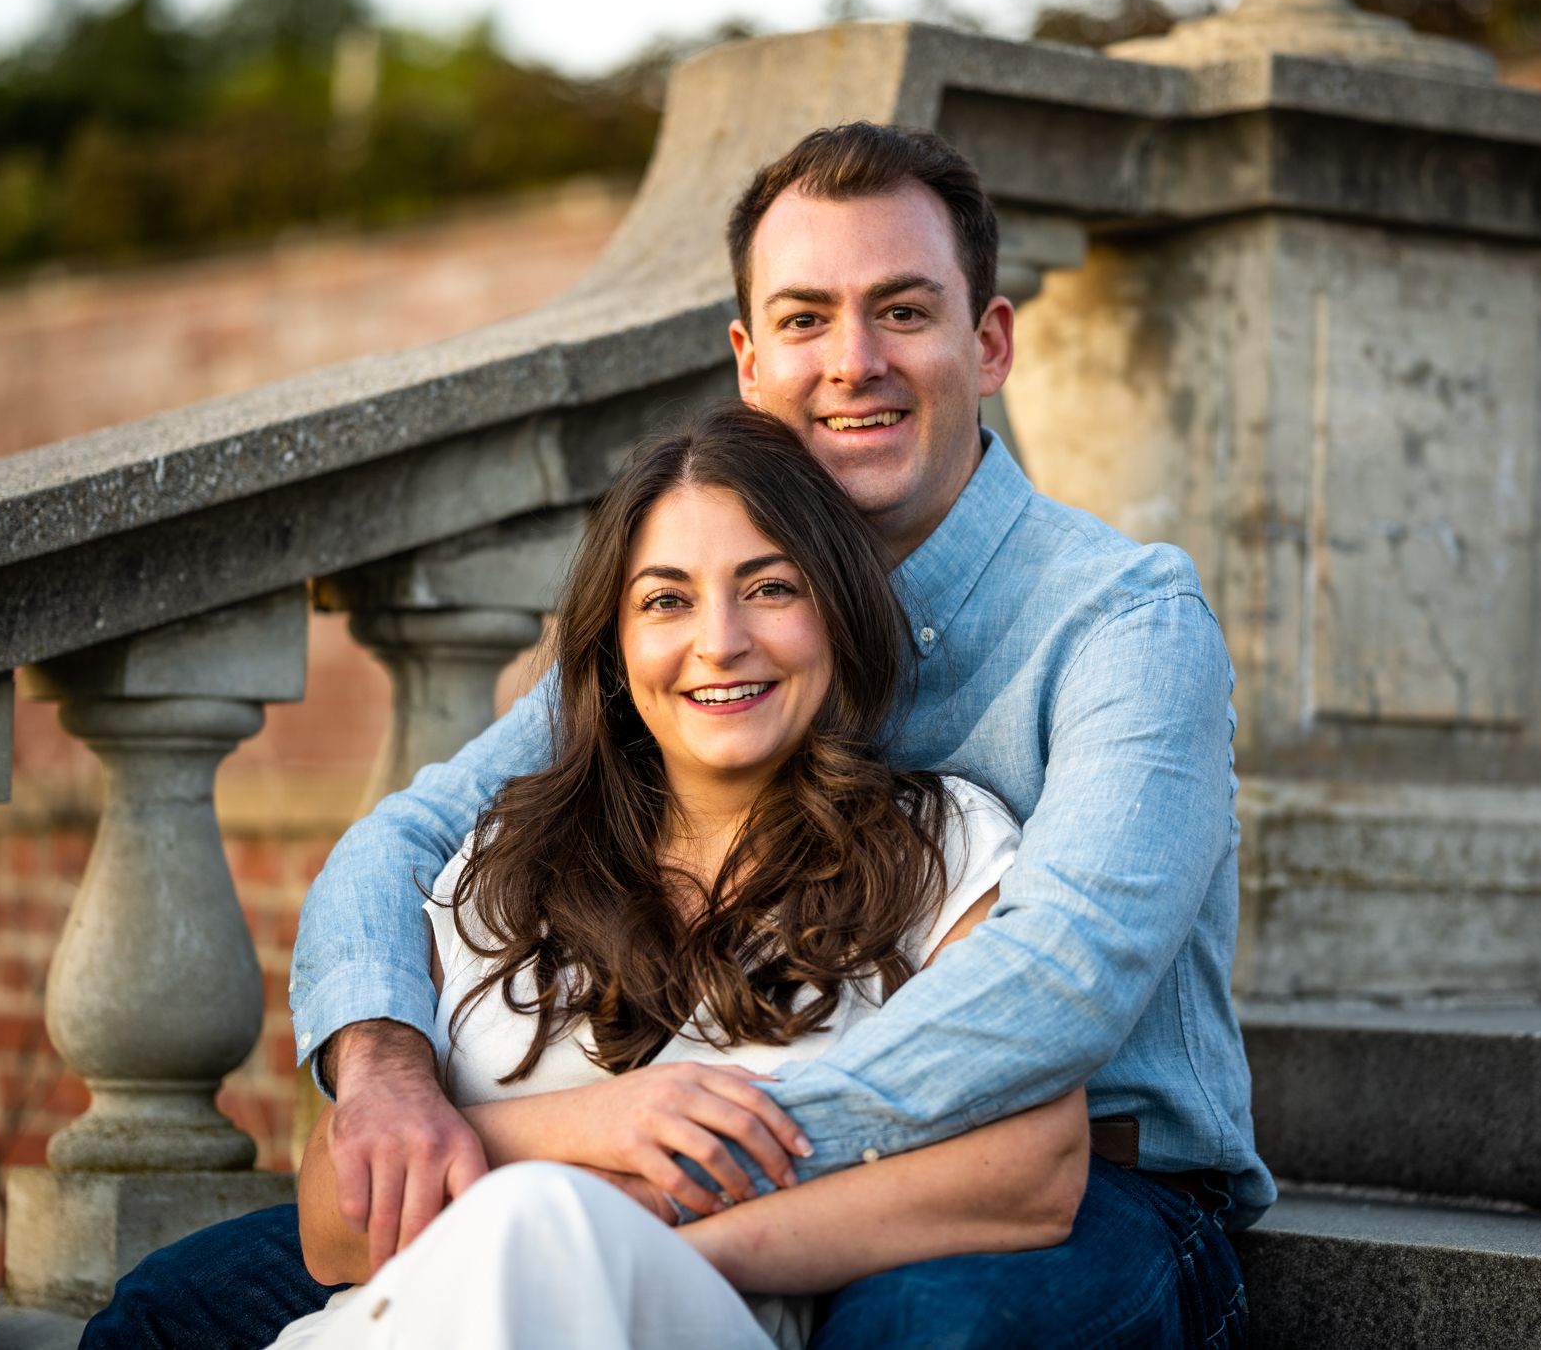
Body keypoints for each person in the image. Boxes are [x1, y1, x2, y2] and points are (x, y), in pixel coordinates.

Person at [84, 121, 1269, 1350]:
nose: (851, 361)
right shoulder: (695, 638)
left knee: (918, 1337)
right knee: (175, 1315)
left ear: (988, 343)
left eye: (902, 311)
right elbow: (404, 841)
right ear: (750, 366)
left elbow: (1064, 980)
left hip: (1083, 1196)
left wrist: (705, 1141)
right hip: (653, 1167)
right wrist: (389, 1079)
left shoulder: (1122, 619)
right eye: (805, 319)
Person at [268, 404, 1088, 1348]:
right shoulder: (503, 862)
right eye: (666, 599)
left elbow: (1039, 1163)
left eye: (770, 588)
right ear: (614, 646)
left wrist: (645, 1242)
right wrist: (597, 1124)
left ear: (838, 611)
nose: (720, 640)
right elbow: (332, 1221)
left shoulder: (939, 848)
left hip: (693, 1320)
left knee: (540, 1229)